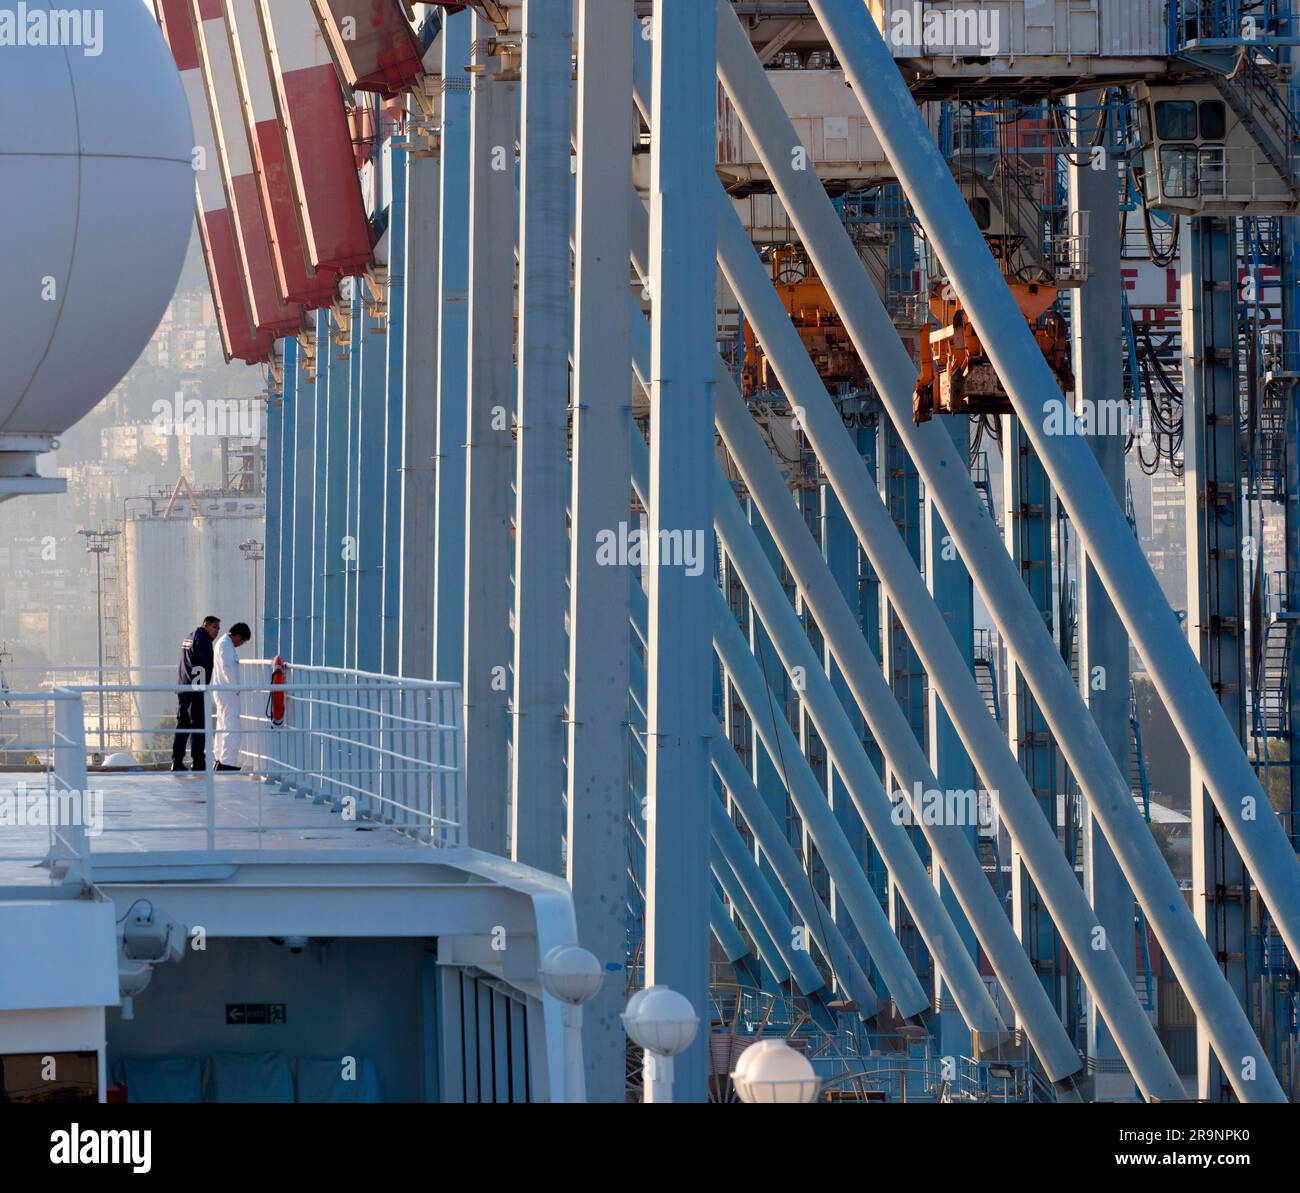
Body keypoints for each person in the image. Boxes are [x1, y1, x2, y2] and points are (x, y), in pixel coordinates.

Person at [171, 615, 219, 772]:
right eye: (214, 627)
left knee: (183, 724)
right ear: (205, 625)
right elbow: (206, 666)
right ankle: (198, 761)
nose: (217, 631)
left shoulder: (189, 637)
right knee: (198, 725)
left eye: (218, 628)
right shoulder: (204, 641)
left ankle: (176, 761)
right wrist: (205, 686)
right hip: (195, 688)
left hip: (183, 686)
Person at [212, 623, 251, 771]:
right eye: (242, 641)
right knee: (232, 728)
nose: (241, 644)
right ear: (238, 636)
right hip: (228, 693)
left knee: (223, 726)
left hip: (223, 692)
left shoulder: (222, 643)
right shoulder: (226, 646)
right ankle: (227, 763)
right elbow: (228, 668)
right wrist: (237, 687)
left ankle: (219, 760)